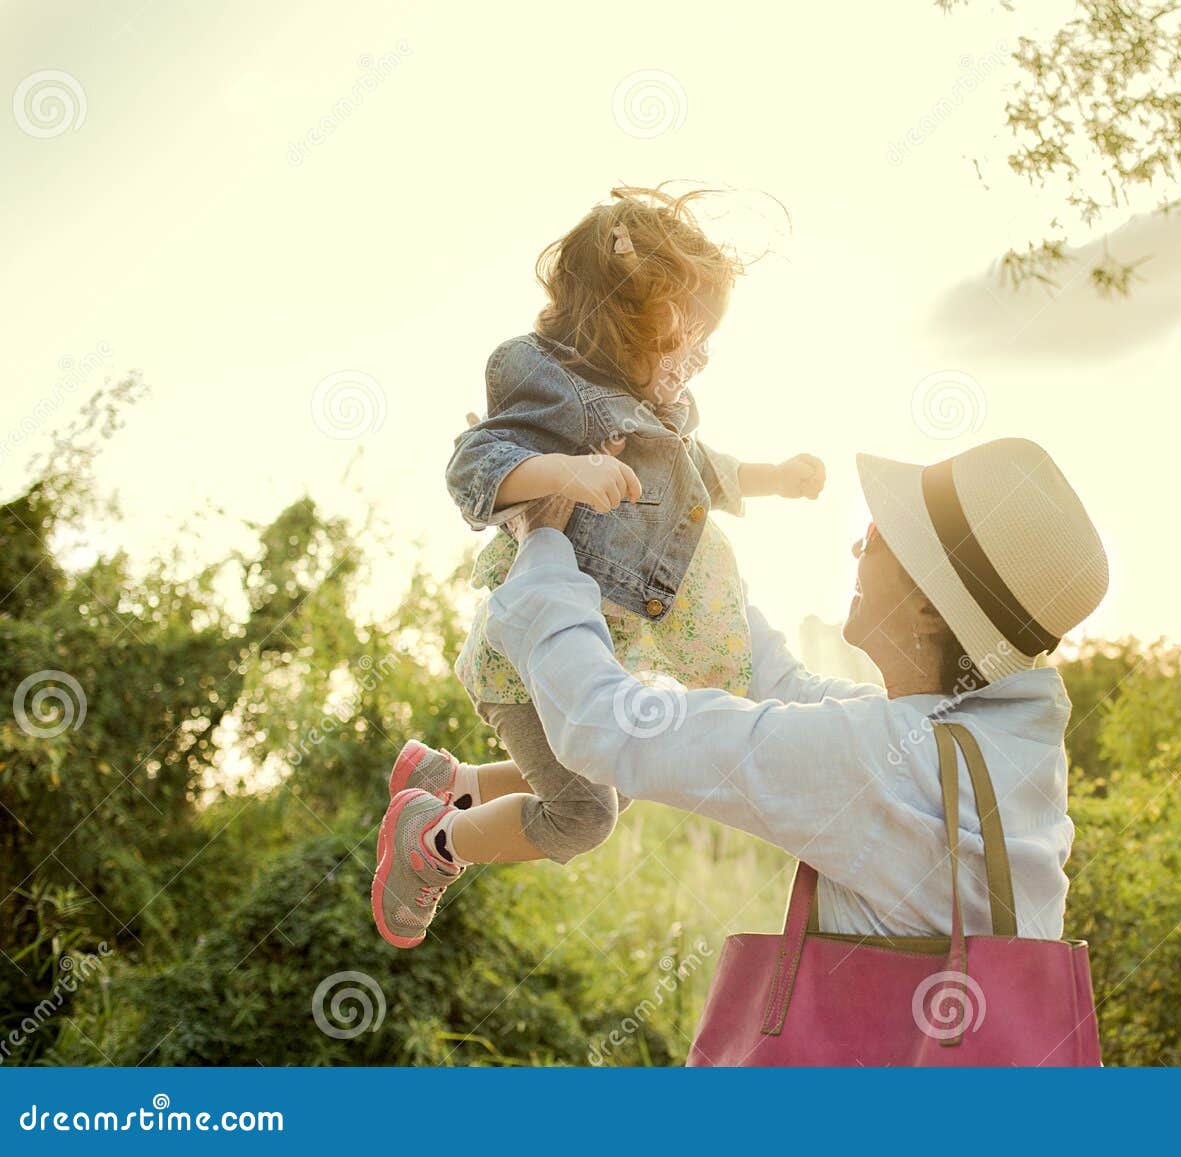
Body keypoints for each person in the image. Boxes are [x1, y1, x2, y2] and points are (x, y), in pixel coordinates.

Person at [377, 435, 1110, 944]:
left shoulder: (885, 763)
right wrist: (685, 556)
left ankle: (440, 827)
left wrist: (542, 543)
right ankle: (459, 788)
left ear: (928, 608)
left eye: (880, 536)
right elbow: (784, 689)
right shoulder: (990, 751)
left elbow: (612, 726)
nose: (856, 544)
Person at [370, 186, 822, 949]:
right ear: (627, 323)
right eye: (687, 336)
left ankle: (456, 784)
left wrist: (775, 476)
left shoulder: (659, 415)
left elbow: (699, 474)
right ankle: (432, 841)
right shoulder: (556, 390)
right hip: (529, 663)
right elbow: (474, 464)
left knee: (623, 769)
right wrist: (564, 473)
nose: (700, 356)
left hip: (597, 656)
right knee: (584, 815)